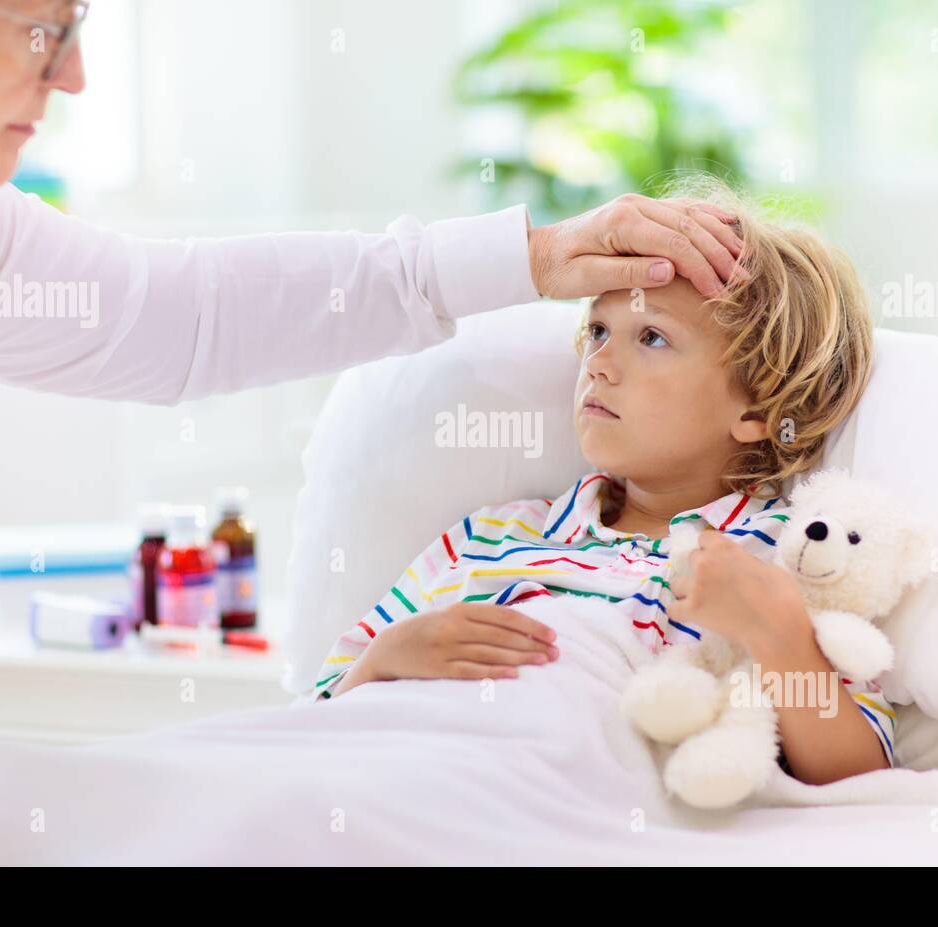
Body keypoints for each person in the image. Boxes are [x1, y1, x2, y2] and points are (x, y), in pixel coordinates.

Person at [0, 0, 745, 752]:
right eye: (45, 27)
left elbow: (185, 313)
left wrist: (534, 256)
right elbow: (333, 700)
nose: (72, 74)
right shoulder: (490, 544)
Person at [312, 176, 893, 786]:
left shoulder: (782, 553)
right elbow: (319, 709)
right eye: (596, 332)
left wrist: (779, 634)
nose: (599, 364)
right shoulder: (489, 535)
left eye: (652, 337)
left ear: (757, 411)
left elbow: (857, 773)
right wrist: (386, 658)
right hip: (388, 767)